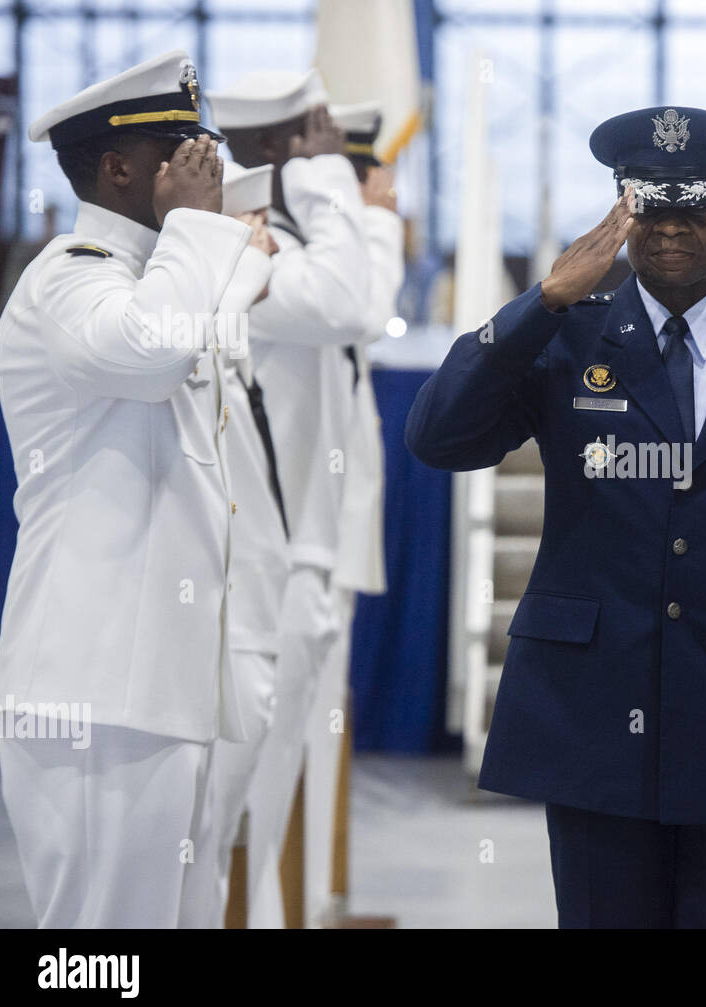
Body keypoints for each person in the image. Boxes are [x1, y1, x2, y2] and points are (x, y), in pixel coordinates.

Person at [407, 106, 706, 929]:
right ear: (623, 214)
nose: (672, 228)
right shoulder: (565, 338)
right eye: (652, 207)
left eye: (696, 206)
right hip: (593, 726)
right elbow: (437, 436)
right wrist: (540, 302)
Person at [0, 50, 253, 927]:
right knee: (104, 951)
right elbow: (152, 355)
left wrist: (204, 237)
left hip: (155, 685)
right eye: (183, 149)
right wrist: (195, 231)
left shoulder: (152, 274)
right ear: (118, 169)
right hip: (93, 690)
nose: (205, 166)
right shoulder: (68, 278)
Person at [207, 68, 373, 927]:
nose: (332, 141)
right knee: (234, 823)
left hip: (299, 552)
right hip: (261, 570)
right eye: (315, 130)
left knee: (258, 822)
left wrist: (320, 184)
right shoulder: (242, 248)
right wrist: (324, 177)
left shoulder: (287, 241)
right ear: (277, 147)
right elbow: (355, 300)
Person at [297, 100, 405, 924]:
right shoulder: (314, 268)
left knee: (317, 736)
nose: (390, 191)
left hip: (325, 539)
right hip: (300, 545)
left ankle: (315, 898)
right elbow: (365, 308)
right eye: (375, 175)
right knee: (278, 763)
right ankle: (291, 903)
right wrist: (370, 225)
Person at [177, 161, 291, 927]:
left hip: (250, 632)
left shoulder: (235, 356)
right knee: (193, 850)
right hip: (217, 644)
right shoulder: (193, 353)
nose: (272, 247)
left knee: (208, 855)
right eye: (253, 232)